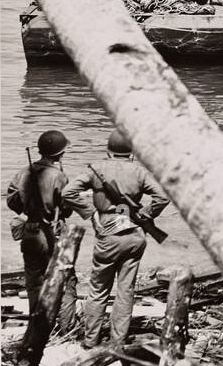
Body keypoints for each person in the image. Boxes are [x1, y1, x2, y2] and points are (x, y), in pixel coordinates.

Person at [64, 129, 171, 349]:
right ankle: (118, 341)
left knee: (98, 289)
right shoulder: (140, 172)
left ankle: (90, 340)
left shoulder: (97, 168)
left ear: (108, 151)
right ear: (131, 153)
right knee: (126, 289)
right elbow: (162, 197)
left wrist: (90, 213)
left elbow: (68, 192)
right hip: (134, 234)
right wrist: (146, 215)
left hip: (108, 233)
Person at [5, 129, 79, 333]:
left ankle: (37, 329)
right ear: (60, 154)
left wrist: (28, 209)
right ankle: (67, 329)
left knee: (34, 282)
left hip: (30, 232)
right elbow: (67, 208)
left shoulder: (23, 172)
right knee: (65, 280)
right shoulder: (59, 176)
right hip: (53, 233)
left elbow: (12, 201)